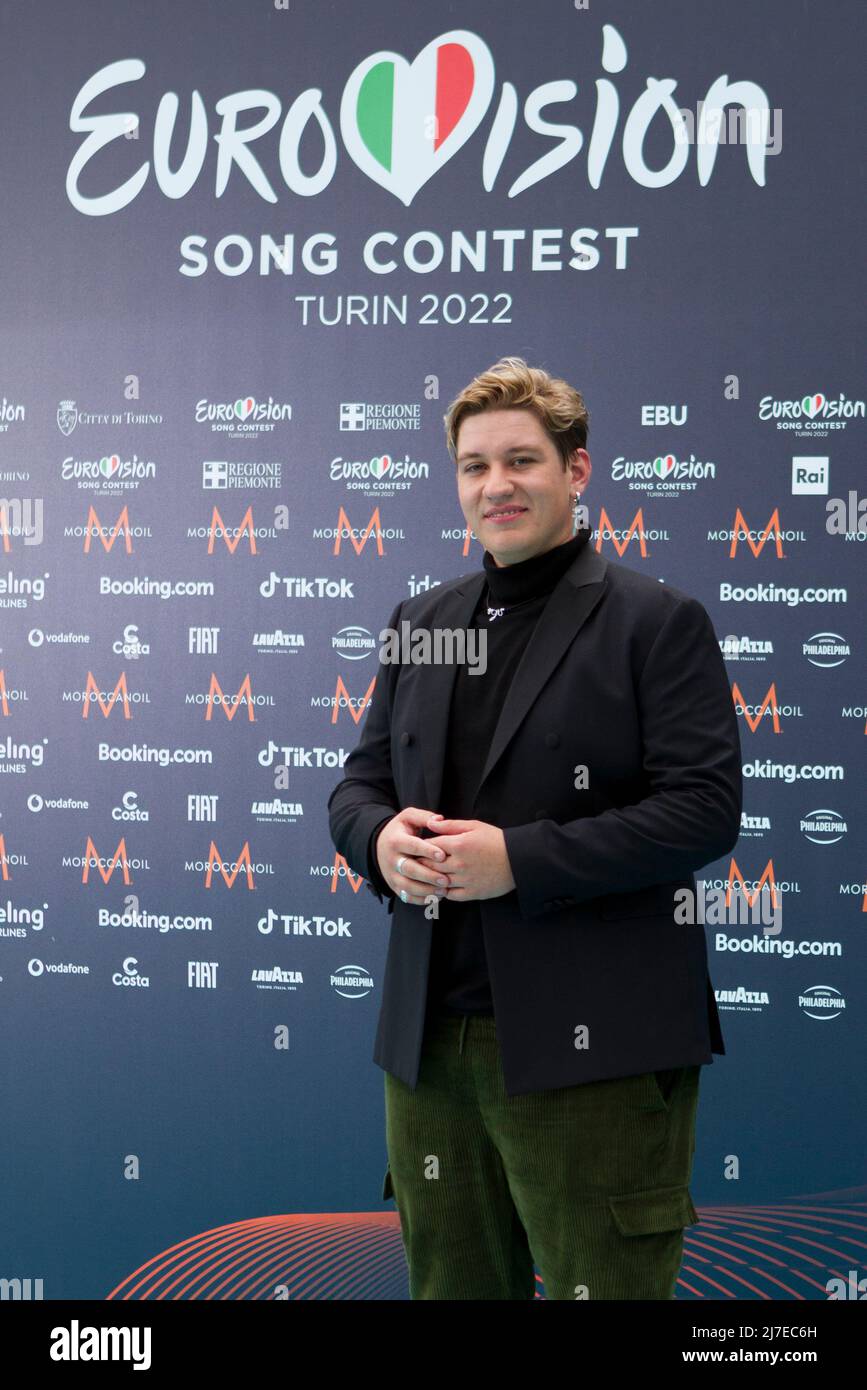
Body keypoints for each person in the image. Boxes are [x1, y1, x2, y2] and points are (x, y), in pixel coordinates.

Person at [327, 356, 742, 1300]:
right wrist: (378, 841)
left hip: (590, 1046)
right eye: (474, 466)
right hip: (429, 1042)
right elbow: (360, 785)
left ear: (576, 471)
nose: (496, 485)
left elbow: (703, 809)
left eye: (521, 460)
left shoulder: (655, 621)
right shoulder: (421, 620)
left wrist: (518, 859)